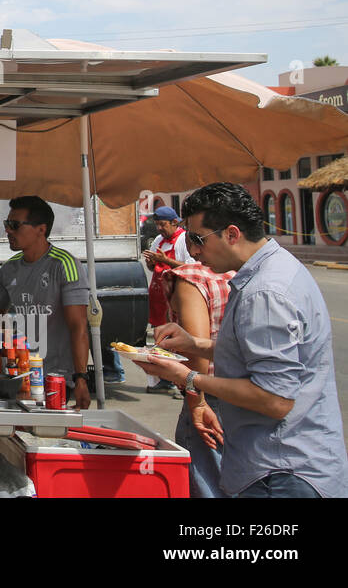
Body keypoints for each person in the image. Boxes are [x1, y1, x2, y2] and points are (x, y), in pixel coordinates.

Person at [144, 182, 348, 498]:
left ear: (232, 234)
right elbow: (256, 355)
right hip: (286, 466)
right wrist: (193, 345)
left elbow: (274, 399)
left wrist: (189, 377)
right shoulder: (275, 267)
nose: (194, 251)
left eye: (198, 240)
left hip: (282, 472)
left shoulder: (265, 292)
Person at [0, 196, 92, 409]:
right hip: (18, 375)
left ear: (41, 229)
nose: (8, 231)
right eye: (6, 224)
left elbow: (79, 326)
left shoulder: (64, 265)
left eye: (14, 225)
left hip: (55, 377)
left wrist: (81, 377)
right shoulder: (8, 269)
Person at [161, 260, 234, 498]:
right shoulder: (253, 272)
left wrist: (196, 403)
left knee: (208, 484)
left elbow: (197, 361)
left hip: (208, 397)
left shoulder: (192, 277)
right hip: (246, 395)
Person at [142, 206, 194, 393]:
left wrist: (166, 261)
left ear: (174, 222)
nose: (159, 229)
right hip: (158, 296)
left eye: (162, 225)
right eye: (157, 225)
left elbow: (191, 269)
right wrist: (152, 263)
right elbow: (153, 269)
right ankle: (163, 379)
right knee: (160, 341)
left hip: (175, 298)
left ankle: (181, 380)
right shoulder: (158, 240)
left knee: (176, 341)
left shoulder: (183, 240)